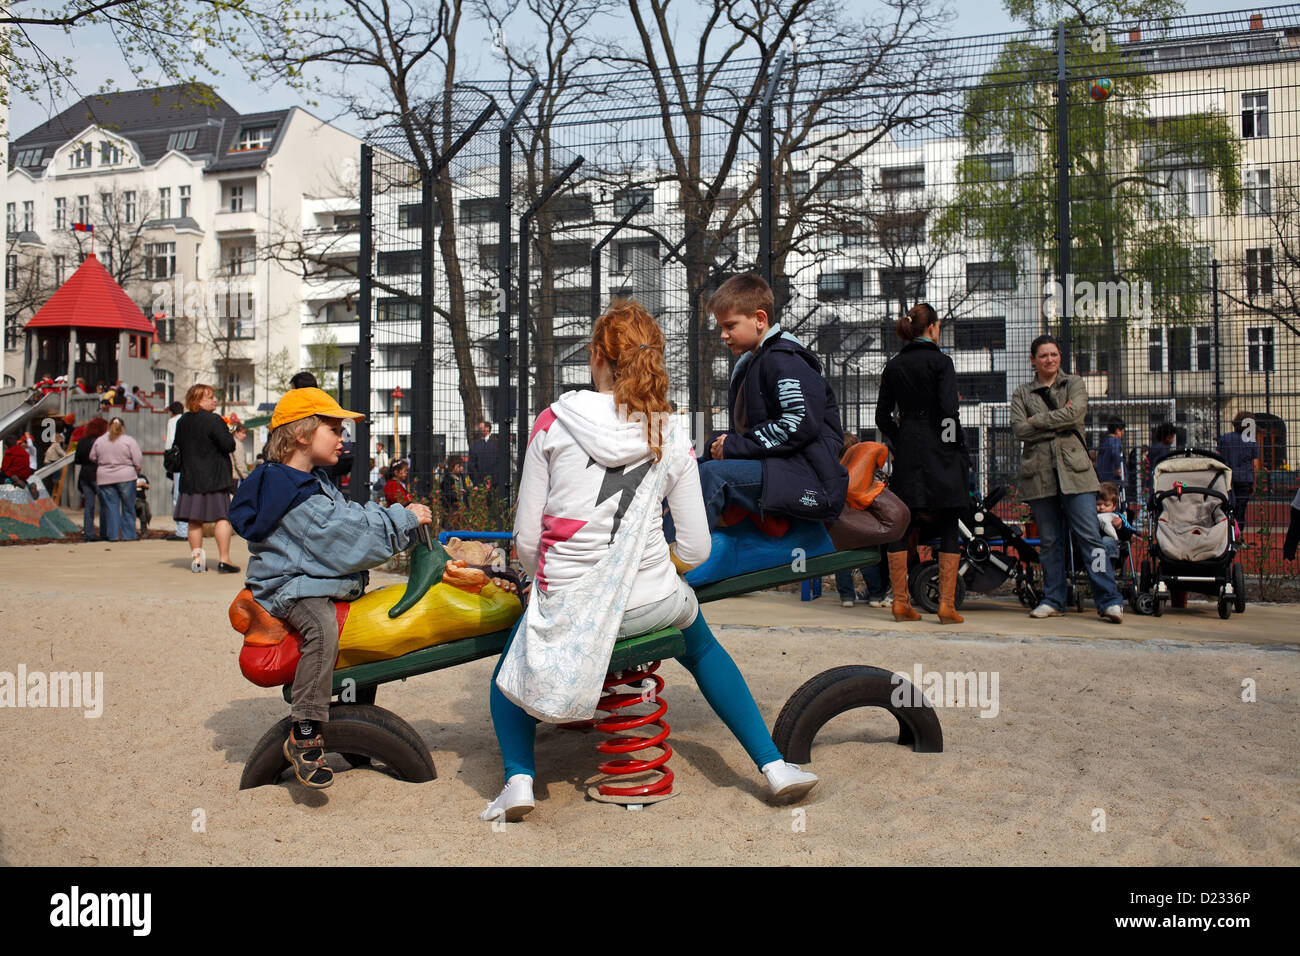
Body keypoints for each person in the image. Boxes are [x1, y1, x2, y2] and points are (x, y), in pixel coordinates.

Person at [481, 300, 818, 822]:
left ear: (597, 356)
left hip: (571, 603)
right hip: (654, 602)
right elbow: (696, 549)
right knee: (703, 648)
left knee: (510, 674)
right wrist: (667, 571)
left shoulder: (553, 422)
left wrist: (541, 586)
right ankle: (774, 767)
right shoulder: (669, 432)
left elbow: (527, 538)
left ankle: (519, 781)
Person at [229, 389, 432, 789]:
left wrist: (393, 517)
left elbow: (349, 515)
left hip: (313, 579)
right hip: (293, 588)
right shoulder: (293, 497)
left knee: (368, 633)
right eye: (334, 428)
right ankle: (304, 732)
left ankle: (355, 720)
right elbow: (346, 539)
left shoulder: (307, 481)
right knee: (321, 630)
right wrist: (403, 520)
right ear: (303, 434)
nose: (343, 438)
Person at [696, 272, 847, 530]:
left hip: (811, 479)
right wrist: (717, 445)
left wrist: (735, 446)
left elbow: (796, 423)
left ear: (759, 319)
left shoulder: (784, 359)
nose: (723, 334)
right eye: (721, 327)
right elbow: (753, 432)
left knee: (713, 476)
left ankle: (678, 558)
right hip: (779, 469)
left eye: (730, 325)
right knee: (693, 468)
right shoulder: (754, 363)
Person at [1010, 335, 1124, 623]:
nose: (1050, 359)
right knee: (1050, 541)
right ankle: (1053, 599)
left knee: (1090, 538)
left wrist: (1038, 421)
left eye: (1054, 354)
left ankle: (1109, 600)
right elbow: (1020, 430)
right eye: (1044, 355)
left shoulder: (1074, 383)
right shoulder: (1022, 393)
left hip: (1077, 475)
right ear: (1033, 360)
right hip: (1040, 476)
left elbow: (1076, 415)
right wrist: (1055, 422)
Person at [873, 303, 970, 624]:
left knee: (902, 522)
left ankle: (900, 602)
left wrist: (900, 439)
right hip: (940, 450)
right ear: (933, 328)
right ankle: (945, 606)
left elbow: (882, 417)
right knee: (947, 522)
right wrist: (954, 444)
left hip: (909, 450)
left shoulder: (894, 366)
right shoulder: (942, 362)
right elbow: (947, 411)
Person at [174, 384, 238, 573]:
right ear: (199, 400)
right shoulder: (214, 420)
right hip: (215, 478)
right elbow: (228, 445)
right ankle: (224, 559)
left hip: (191, 478)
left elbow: (178, 446)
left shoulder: (183, 421)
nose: (215, 400)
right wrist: (229, 432)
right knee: (222, 518)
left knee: (194, 520)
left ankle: (198, 560)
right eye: (210, 397)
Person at [90, 417, 143, 541]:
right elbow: (137, 458)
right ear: (123, 427)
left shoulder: (100, 441)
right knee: (128, 507)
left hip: (105, 477)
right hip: (126, 476)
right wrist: (137, 469)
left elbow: (92, 456)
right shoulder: (128, 441)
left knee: (110, 507)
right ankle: (129, 535)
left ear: (109, 426)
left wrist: (103, 463)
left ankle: (112, 535)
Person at [1217, 411, 1261, 534]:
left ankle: (1225, 535)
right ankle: (1238, 536)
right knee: (1240, 509)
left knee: (1225, 506)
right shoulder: (1252, 441)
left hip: (1226, 478)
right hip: (1244, 478)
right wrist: (1254, 483)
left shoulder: (1225, 438)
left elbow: (1217, 456)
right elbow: (1255, 465)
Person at [73, 417, 108, 540]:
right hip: (98, 475)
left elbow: (77, 460)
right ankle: (105, 532)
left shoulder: (82, 441)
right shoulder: (100, 442)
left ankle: (89, 533)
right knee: (105, 504)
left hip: (84, 475)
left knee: (89, 506)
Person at [165, 401, 188, 541]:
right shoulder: (187, 420)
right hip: (192, 462)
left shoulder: (173, 421)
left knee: (177, 495)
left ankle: (181, 529)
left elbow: (169, 443)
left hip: (179, 462)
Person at [1096, 482, 1124, 566]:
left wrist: (1119, 526)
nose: (1102, 507)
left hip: (1112, 545)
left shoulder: (1116, 517)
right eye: (1098, 504)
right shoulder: (1093, 515)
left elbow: (1128, 533)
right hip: (1095, 542)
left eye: (1106, 505)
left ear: (1114, 506)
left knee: (1107, 541)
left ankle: (1109, 568)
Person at [1095, 419, 1125, 488]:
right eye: (1122, 431)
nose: (1123, 434)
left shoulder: (1104, 441)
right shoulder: (1115, 441)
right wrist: (1118, 468)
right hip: (1113, 478)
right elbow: (1116, 453)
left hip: (1102, 477)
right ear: (1117, 431)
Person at [439, 456, 470, 520]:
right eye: (459, 466)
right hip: (452, 507)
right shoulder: (447, 479)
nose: (461, 468)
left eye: (462, 466)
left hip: (463, 506)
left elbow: (466, 489)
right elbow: (447, 493)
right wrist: (457, 494)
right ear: (452, 467)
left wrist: (466, 492)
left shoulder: (462, 477)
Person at [467, 420, 498, 485]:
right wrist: (476, 481)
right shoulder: (475, 444)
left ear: (487, 429)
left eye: (480, 428)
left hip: (495, 481)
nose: (478, 430)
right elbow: (471, 465)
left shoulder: (497, 443)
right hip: (480, 482)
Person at [42, 428, 68, 497]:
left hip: (48, 461)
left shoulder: (52, 445)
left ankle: (54, 481)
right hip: (51, 461)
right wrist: (66, 455)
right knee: (58, 470)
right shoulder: (56, 444)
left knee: (50, 476)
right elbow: (60, 452)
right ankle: (56, 480)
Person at [229, 424, 250, 490]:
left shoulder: (232, 442)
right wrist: (246, 477)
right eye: (242, 433)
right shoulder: (237, 444)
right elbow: (239, 462)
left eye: (245, 433)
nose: (245, 435)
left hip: (232, 476)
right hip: (237, 476)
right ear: (236, 433)